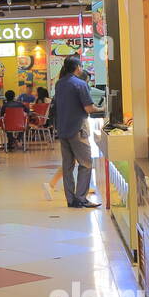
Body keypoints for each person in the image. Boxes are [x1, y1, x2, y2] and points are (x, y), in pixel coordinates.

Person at [52, 56, 105, 208]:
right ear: (78, 67)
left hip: (63, 129)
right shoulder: (80, 84)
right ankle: (81, 198)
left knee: (67, 166)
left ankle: (71, 200)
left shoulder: (59, 84)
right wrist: (102, 109)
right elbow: (89, 108)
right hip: (77, 128)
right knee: (86, 163)